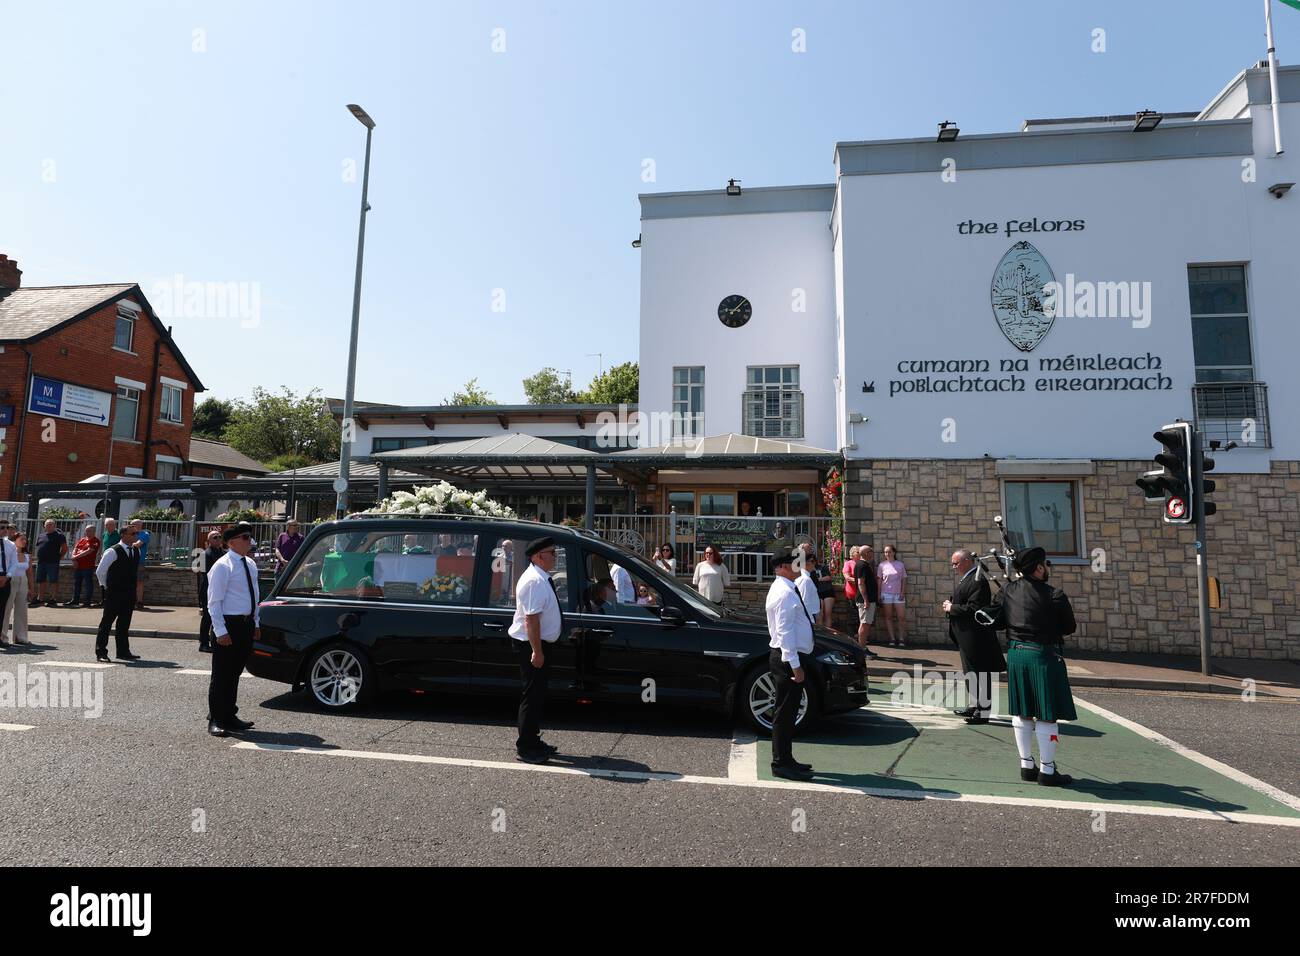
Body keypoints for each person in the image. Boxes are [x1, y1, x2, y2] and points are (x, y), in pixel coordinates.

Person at [986, 546, 1078, 787]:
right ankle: (1048, 771)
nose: (1047, 567)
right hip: (1043, 656)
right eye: (1046, 564)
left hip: (1016, 654)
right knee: (1046, 716)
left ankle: (1027, 765)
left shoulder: (1007, 590)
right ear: (1038, 567)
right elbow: (1069, 627)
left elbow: (995, 621)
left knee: (1023, 712)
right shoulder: (1055, 595)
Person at [508, 536, 564, 764]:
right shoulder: (534, 581)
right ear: (539, 556)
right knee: (531, 695)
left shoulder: (541, 577)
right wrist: (537, 651)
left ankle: (533, 738)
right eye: (552, 553)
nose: (555, 556)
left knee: (537, 694)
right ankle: (526, 746)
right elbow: (531, 620)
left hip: (539, 644)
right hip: (531, 646)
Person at [766, 548, 817, 781]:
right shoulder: (784, 593)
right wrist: (795, 665)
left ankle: (787, 759)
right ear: (783, 567)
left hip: (790, 657)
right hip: (787, 659)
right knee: (784, 714)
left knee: (788, 712)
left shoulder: (787, 588)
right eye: (794, 563)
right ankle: (780, 763)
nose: (798, 566)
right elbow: (784, 632)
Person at [206, 523, 261, 737]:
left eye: (249, 537)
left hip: (245, 624)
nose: (250, 541)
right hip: (229, 624)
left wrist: (255, 623)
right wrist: (220, 631)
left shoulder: (250, 563)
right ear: (232, 542)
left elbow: (254, 595)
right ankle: (216, 718)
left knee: (235, 673)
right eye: (245, 537)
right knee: (221, 675)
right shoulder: (222, 565)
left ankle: (229, 714)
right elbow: (214, 601)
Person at [944, 549, 1005, 724]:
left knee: (981, 673)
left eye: (956, 563)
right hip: (965, 636)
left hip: (976, 636)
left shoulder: (977, 581)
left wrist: (951, 608)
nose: (954, 567)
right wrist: (951, 605)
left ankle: (983, 712)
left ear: (967, 561)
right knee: (971, 673)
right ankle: (974, 705)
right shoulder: (969, 578)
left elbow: (974, 608)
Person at [93, 524, 142, 662]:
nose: (135, 536)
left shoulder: (135, 551)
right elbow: (100, 571)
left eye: (136, 533)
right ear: (123, 535)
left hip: (129, 593)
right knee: (107, 623)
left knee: (124, 623)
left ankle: (123, 651)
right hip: (114, 593)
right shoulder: (112, 551)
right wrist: (107, 587)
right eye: (132, 534)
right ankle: (101, 652)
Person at [196, 530, 224, 652]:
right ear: (209, 541)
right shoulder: (204, 554)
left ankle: (216, 640)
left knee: (218, 616)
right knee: (207, 617)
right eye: (215, 537)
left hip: (221, 589)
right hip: (209, 590)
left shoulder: (223, 553)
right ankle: (203, 643)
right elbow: (204, 574)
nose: (218, 539)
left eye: (219, 537)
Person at [32, 519, 68, 608]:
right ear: (44, 526)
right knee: (41, 581)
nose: (49, 526)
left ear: (54, 526)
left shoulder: (59, 536)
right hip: (41, 562)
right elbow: (38, 547)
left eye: (51, 524)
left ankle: (53, 599)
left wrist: (59, 556)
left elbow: (64, 548)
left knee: (53, 581)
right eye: (47, 524)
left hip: (53, 562)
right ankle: (40, 599)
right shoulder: (41, 536)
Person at [877, 544, 907, 647]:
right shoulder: (882, 565)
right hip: (886, 594)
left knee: (901, 617)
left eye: (889, 551)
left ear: (894, 552)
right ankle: (892, 638)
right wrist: (879, 594)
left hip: (899, 594)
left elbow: (904, 579)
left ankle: (902, 638)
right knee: (888, 617)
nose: (887, 554)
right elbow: (879, 581)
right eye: (885, 552)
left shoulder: (900, 565)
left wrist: (903, 592)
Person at [853, 545, 880, 659]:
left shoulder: (864, 565)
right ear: (866, 553)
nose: (873, 552)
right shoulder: (862, 565)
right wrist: (866, 600)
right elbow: (861, 583)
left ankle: (863, 648)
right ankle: (861, 650)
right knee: (864, 624)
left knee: (866, 624)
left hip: (868, 600)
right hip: (865, 601)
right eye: (871, 550)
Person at [68, 524, 101, 607]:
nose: (86, 532)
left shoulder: (95, 541)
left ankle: (87, 601)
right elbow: (75, 548)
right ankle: (75, 600)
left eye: (89, 530)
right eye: (86, 530)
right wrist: (74, 558)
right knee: (77, 583)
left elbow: (90, 551)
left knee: (88, 584)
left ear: (94, 531)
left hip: (88, 567)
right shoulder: (82, 540)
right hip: (78, 566)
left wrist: (75, 557)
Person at [0, 523, 21, 648]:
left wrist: (7, 576)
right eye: (2, 528)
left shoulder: (11, 545)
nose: (5, 530)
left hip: (5, 579)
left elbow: (14, 563)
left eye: (7, 528)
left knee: (2, 609)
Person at [95, 518, 120, 608]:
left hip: (114, 559)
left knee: (112, 579)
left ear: (114, 525)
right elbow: (103, 546)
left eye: (109, 525)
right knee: (102, 578)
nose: (107, 527)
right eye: (106, 525)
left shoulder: (118, 534)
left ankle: (112, 599)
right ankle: (104, 599)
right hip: (105, 558)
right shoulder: (104, 534)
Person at [129, 519, 152, 610]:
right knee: (129, 582)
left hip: (139, 562)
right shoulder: (130, 534)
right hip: (129, 561)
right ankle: (130, 601)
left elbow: (137, 545)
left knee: (139, 582)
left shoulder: (144, 534)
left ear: (138, 525)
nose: (130, 527)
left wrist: (128, 544)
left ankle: (139, 601)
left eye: (132, 525)